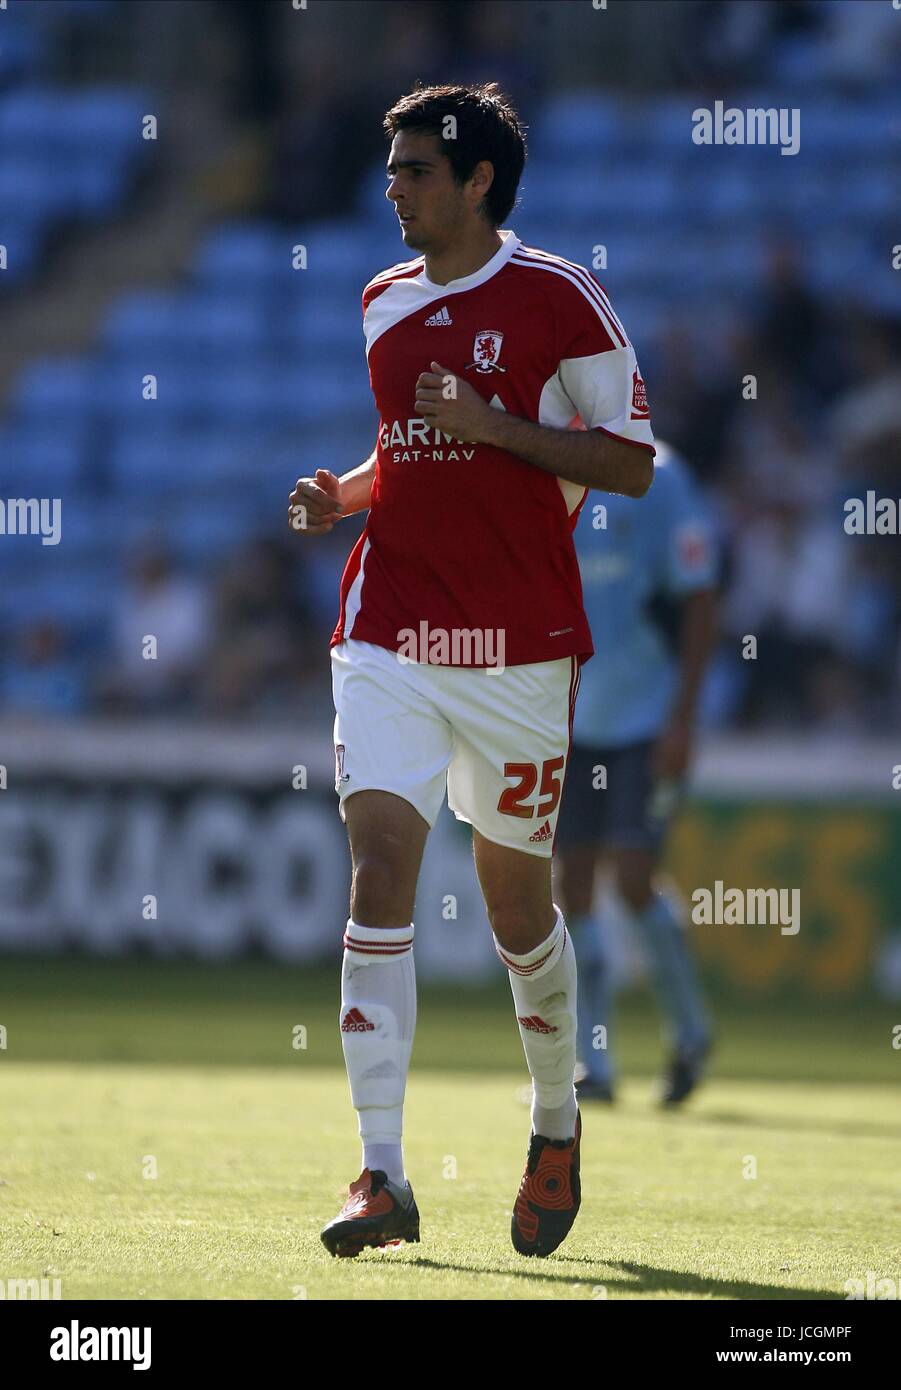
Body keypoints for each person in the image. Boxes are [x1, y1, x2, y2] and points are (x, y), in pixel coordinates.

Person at [289, 83, 654, 1259]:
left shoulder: (559, 298)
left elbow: (631, 463)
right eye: (390, 169)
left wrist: (499, 426)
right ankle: (380, 1174)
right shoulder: (382, 301)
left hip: (517, 646)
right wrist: (342, 493)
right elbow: (410, 450)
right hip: (388, 626)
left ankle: (554, 1126)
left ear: (476, 179)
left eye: (412, 171)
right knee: (380, 860)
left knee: (516, 910)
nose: (391, 188)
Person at [555, 440, 717, 1105]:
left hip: (645, 719)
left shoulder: (664, 477)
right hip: (570, 719)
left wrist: (682, 718)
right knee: (571, 884)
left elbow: (700, 599)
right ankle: (593, 1061)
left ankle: (688, 1030)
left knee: (630, 876)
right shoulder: (553, 466)